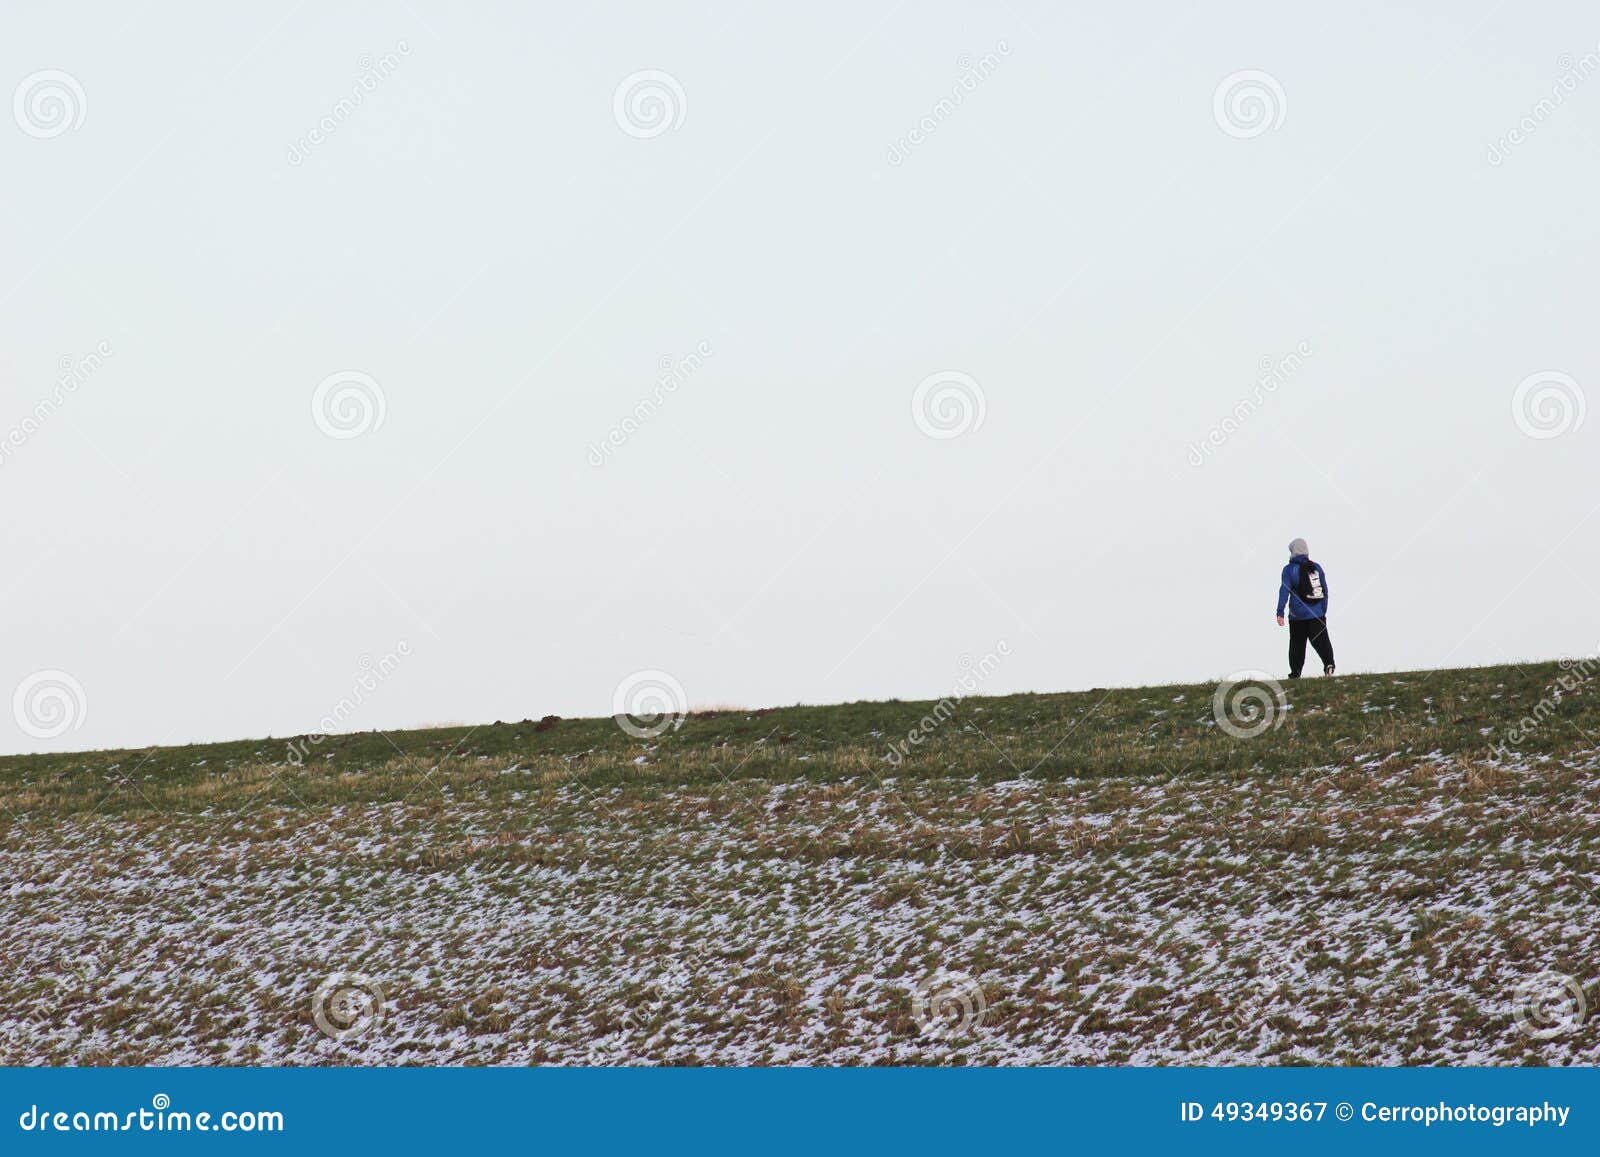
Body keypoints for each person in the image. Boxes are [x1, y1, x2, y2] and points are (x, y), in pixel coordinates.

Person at [1276, 537, 1335, 678]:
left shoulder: (1289, 570)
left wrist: (1280, 612)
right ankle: (1329, 665)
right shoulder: (1316, 567)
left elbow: (1284, 591)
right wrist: (1322, 610)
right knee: (1322, 642)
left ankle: (1295, 673)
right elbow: (1325, 591)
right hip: (1317, 614)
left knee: (1297, 645)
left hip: (1297, 616)